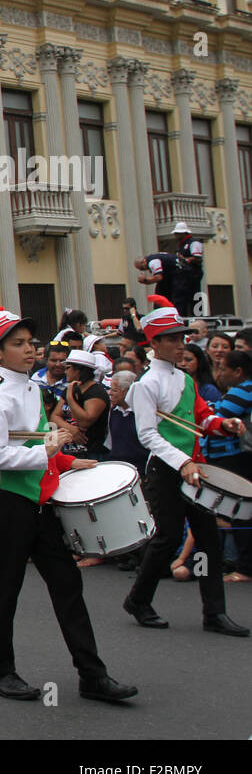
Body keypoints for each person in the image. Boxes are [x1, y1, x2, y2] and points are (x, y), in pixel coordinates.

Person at [0, 297, 137, 704]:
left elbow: (41, 443)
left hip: (40, 503)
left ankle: (92, 675)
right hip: (8, 503)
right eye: (18, 343)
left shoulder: (34, 389)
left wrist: (67, 462)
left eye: (30, 341)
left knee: (68, 585)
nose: (30, 348)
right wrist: (46, 452)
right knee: (4, 591)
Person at [121, 302, 248, 636]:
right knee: (166, 538)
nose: (181, 344)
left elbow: (202, 418)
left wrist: (225, 424)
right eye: (172, 338)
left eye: (182, 337)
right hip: (166, 471)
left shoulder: (185, 379)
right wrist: (183, 461)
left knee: (208, 539)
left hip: (195, 469)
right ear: (154, 344)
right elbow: (147, 435)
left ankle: (214, 613)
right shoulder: (146, 385)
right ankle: (139, 599)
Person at [205, 351, 252, 583]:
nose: (219, 374)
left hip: (237, 457)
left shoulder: (242, 390)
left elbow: (219, 418)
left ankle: (244, 569)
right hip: (236, 457)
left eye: (223, 369)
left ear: (238, 371)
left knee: (241, 513)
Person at [52, 349, 111, 461]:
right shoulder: (69, 389)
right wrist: (71, 429)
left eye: (68, 367)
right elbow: (54, 417)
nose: (65, 371)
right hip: (69, 453)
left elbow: (85, 421)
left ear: (79, 370)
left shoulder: (96, 393)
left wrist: (70, 399)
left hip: (91, 453)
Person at [106, 372, 148, 479]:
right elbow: (111, 444)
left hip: (140, 471)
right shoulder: (113, 411)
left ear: (128, 391)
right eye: (110, 389)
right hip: (117, 468)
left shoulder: (141, 414)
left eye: (115, 390)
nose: (110, 393)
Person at [172, 222, 204, 317]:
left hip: (193, 273)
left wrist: (185, 260)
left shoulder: (194, 243)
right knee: (182, 296)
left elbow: (198, 258)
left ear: (184, 233)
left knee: (194, 296)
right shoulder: (182, 245)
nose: (175, 235)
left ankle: (197, 316)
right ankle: (183, 316)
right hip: (184, 274)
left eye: (177, 233)